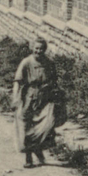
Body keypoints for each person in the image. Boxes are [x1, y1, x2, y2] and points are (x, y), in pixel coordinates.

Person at [13, 37, 60, 168]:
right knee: (28, 128)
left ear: (45, 50)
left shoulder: (49, 63)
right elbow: (18, 81)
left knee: (47, 125)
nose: (38, 51)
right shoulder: (26, 62)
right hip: (30, 98)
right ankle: (29, 158)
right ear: (32, 48)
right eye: (36, 48)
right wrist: (15, 99)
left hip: (46, 99)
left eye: (41, 49)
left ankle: (38, 149)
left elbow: (54, 81)